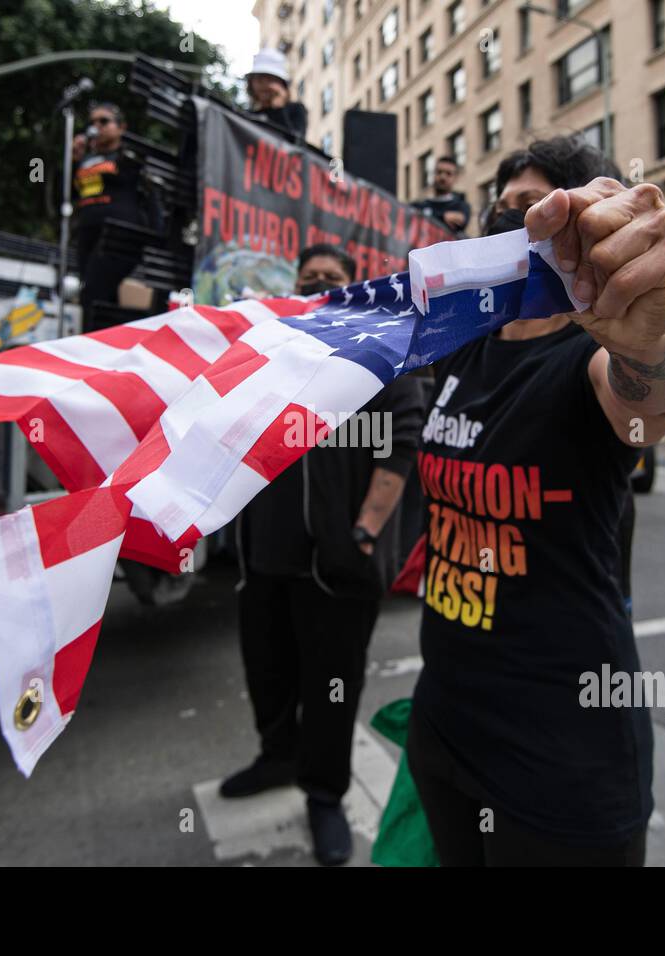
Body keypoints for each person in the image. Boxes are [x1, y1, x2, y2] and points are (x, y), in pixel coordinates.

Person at [406, 136, 665, 866]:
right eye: (502, 208)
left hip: (562, 760)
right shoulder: (464, 346)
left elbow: (661, 386)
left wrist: (650, 339)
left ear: (576, 229)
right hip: (445, 727)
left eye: (533, 208)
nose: (513, 220)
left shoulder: (590, 358)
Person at [222, 243, 427, 866]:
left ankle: (323, 792)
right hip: (262, 557)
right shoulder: (272, 351)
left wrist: (365, 532)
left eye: (331, 278)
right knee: (268, 671)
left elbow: (402, 442)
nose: (318, 284)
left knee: (332, 685)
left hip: (339, 565)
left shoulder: (380, 349)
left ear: (350, 287)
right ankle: (277, 755)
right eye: (308, 278)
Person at [71, 102, 163, 330]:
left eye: (104, 121)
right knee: (99, 295)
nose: (96, 127)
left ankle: (90, 350)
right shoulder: (83, 160)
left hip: (119, 235)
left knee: (93, 293)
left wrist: (158, 236)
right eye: (92, 122)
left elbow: (151, 196)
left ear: (121, 127)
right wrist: (73, 158)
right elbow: (61, 192)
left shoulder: (129, 158)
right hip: (87, 234)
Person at [245, 49, 308, 143]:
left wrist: (279, 109)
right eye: (259, 80)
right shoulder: (248, 115)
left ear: (282, 85)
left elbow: (296, 144)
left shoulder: (296, 110)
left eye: (270, 80)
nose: (264, 86)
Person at [412, 156, 472, 236]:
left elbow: (461, 222)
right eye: (439, 172)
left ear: (456, 178)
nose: (443, 177)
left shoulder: (461, 206)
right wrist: (443, 217)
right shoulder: (418, 206)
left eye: (448, 174)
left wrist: (428, 216)